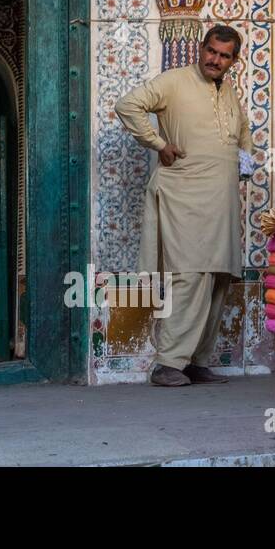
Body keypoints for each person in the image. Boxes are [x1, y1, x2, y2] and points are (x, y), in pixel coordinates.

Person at [113, 25, 252, 387]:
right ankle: (167, 364)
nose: (215, 59)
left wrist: (246, 164)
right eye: (211, 51)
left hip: (221, 199)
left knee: (219, 276)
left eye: (224, 55)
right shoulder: (174, 81)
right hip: (184, 194)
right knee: (189, 274)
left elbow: (243, 135)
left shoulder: (229, 93)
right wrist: (159, 143)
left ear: (233, 61)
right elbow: (127, 105)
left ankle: (195, 361)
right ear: (201, 48)